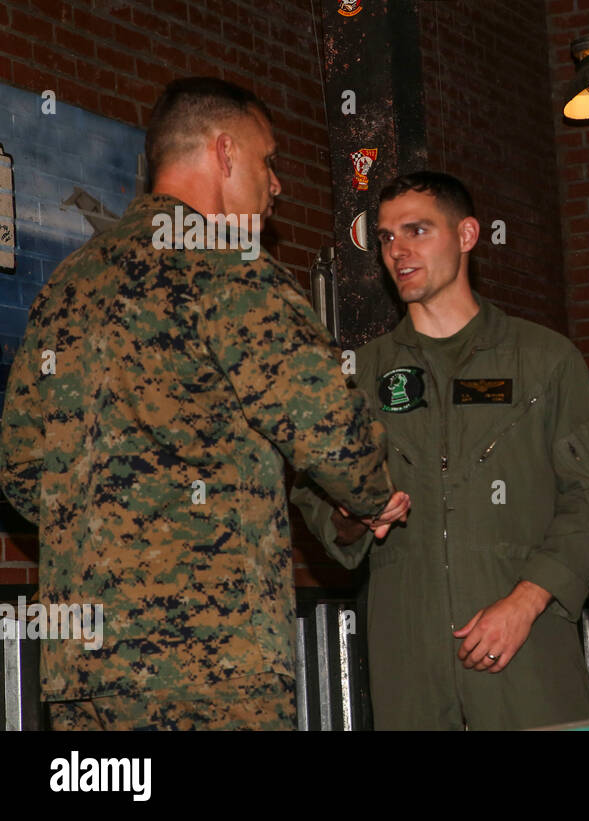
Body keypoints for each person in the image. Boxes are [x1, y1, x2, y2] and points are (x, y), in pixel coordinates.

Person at [0, 77, 409, 730]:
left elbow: (21, 474)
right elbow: (336, 439)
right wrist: (371, 495)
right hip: (212, 669)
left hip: (86, 673)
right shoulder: (233, 270)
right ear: (223, 153)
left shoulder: (66, 289)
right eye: (268, 160)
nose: (277, 185)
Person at [292, 171, 589, 730]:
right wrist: (351, 518)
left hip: (525, 654)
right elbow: (315, 496)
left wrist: (525, 603)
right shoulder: (360, 375)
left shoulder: (542, 360)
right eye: (385, 237)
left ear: (467, 235)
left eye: (417, 231)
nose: (398, 251)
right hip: (408, 659)